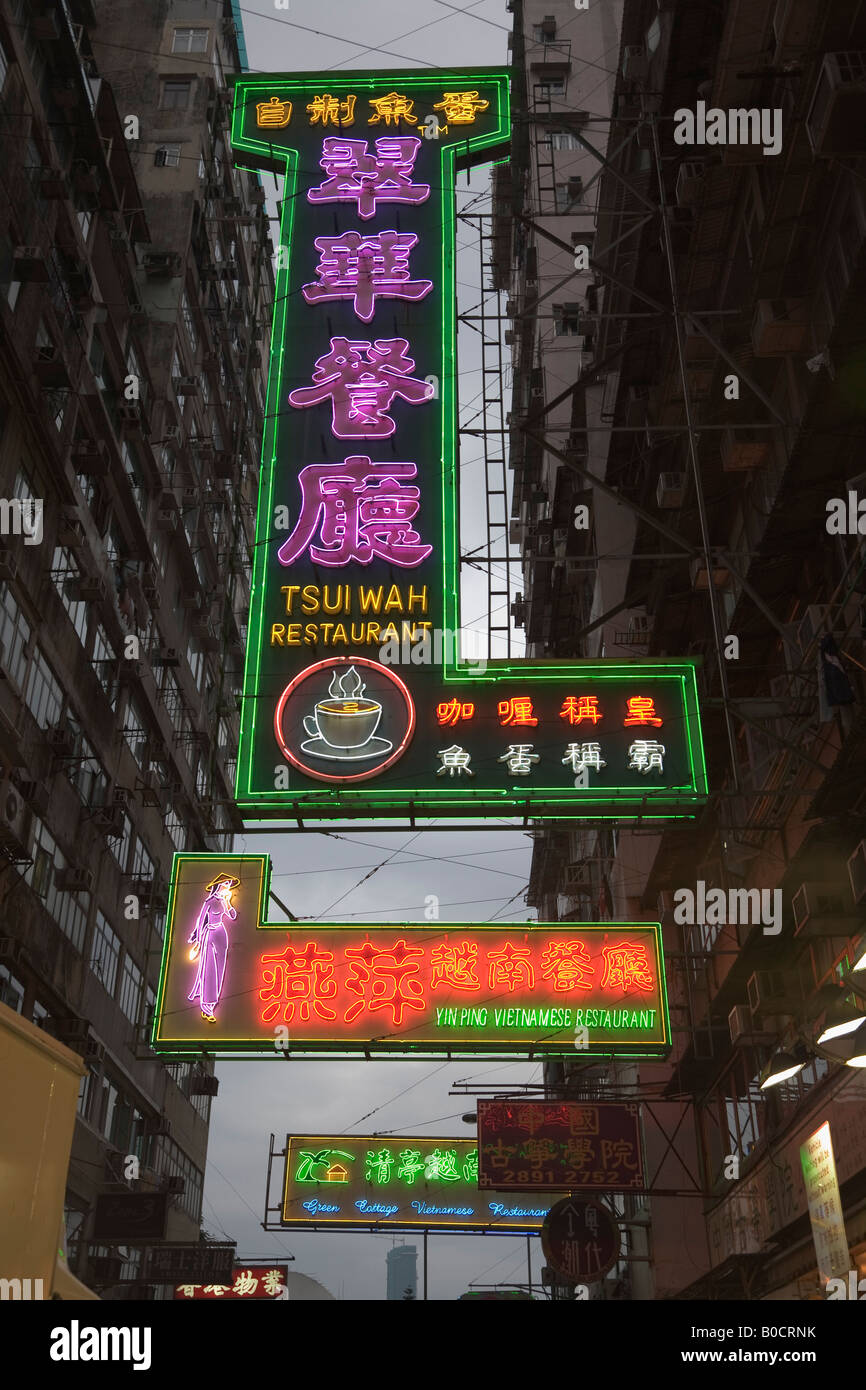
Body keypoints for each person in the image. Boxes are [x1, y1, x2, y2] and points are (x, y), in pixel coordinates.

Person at [187, 873, 239, 1022]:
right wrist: (196, 938)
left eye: (228, 885)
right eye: (225, 884)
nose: (227, 887)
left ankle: (213, 1002)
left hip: (221, 934)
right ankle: (206, 1006)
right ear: (218, 885)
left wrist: (228, 902)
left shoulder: (224, 901)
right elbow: (200, 920)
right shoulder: (209, 901)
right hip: (209, 934)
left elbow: (233, 915)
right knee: (209, 969)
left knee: (220, 969)